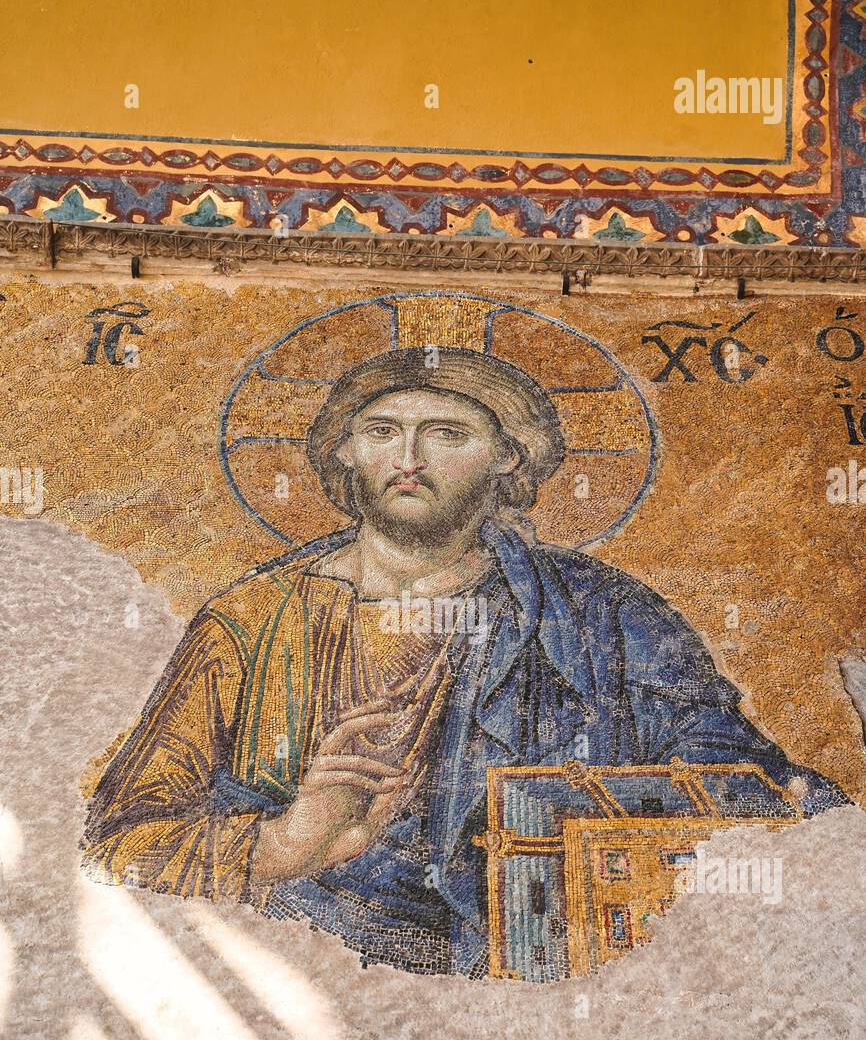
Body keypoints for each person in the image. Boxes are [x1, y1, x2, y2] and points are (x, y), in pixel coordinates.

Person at [81, 347, 848, 977]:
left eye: (447, 433)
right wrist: (282, 843)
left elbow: (748, 793)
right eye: (381, 430)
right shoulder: (250, 624)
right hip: (296, 978)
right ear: (344, 450)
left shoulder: (603, 615)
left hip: (551, 985)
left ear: (510, 457)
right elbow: (116, 844)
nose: (407, 459)